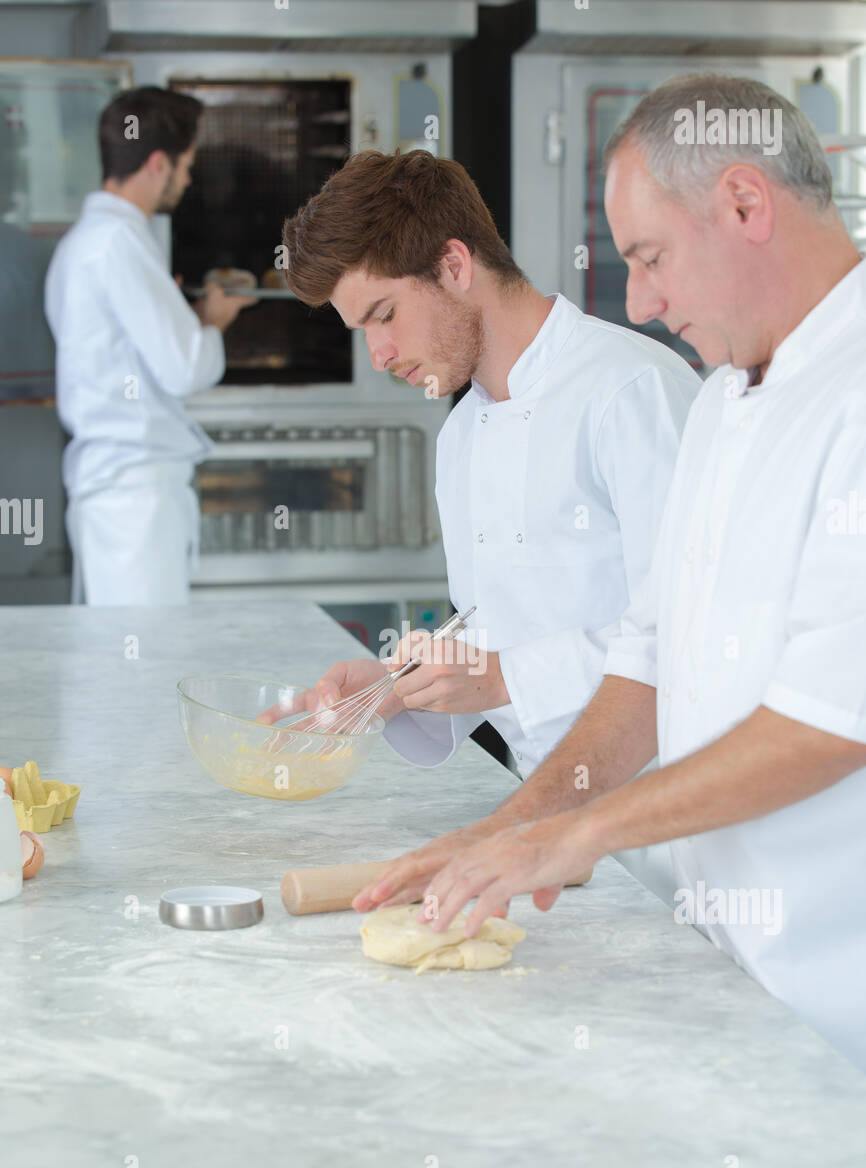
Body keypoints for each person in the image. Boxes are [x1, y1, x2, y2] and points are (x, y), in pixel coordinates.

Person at [356, 75, 866, 1072]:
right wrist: (503, 829)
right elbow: (647, 664)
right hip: (728, 977)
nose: (637, 299)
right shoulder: (727, 400)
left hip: (837, 995)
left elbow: (826, 722)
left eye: (648, 256)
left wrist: (576, 835)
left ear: (744, 204)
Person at [276, 150, 700, 901]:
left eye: (383, 315)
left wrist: (502, 677)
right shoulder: (462, 433)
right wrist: (394, 690)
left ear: (454, 265)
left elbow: (691, 643)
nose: (378, 354)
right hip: (542, 837)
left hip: (672, 838)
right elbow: (491, 631)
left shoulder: (630, 390)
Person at [44, 87, 254, 605]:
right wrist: (215, 320)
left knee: (122, 658)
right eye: (185, 166)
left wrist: (191, 317)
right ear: (157, 163)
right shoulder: (121, 243)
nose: (187, 179)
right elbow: (185, 369)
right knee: (142, 662)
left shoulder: (82, 243)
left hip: (112, 489)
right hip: (135, 493)